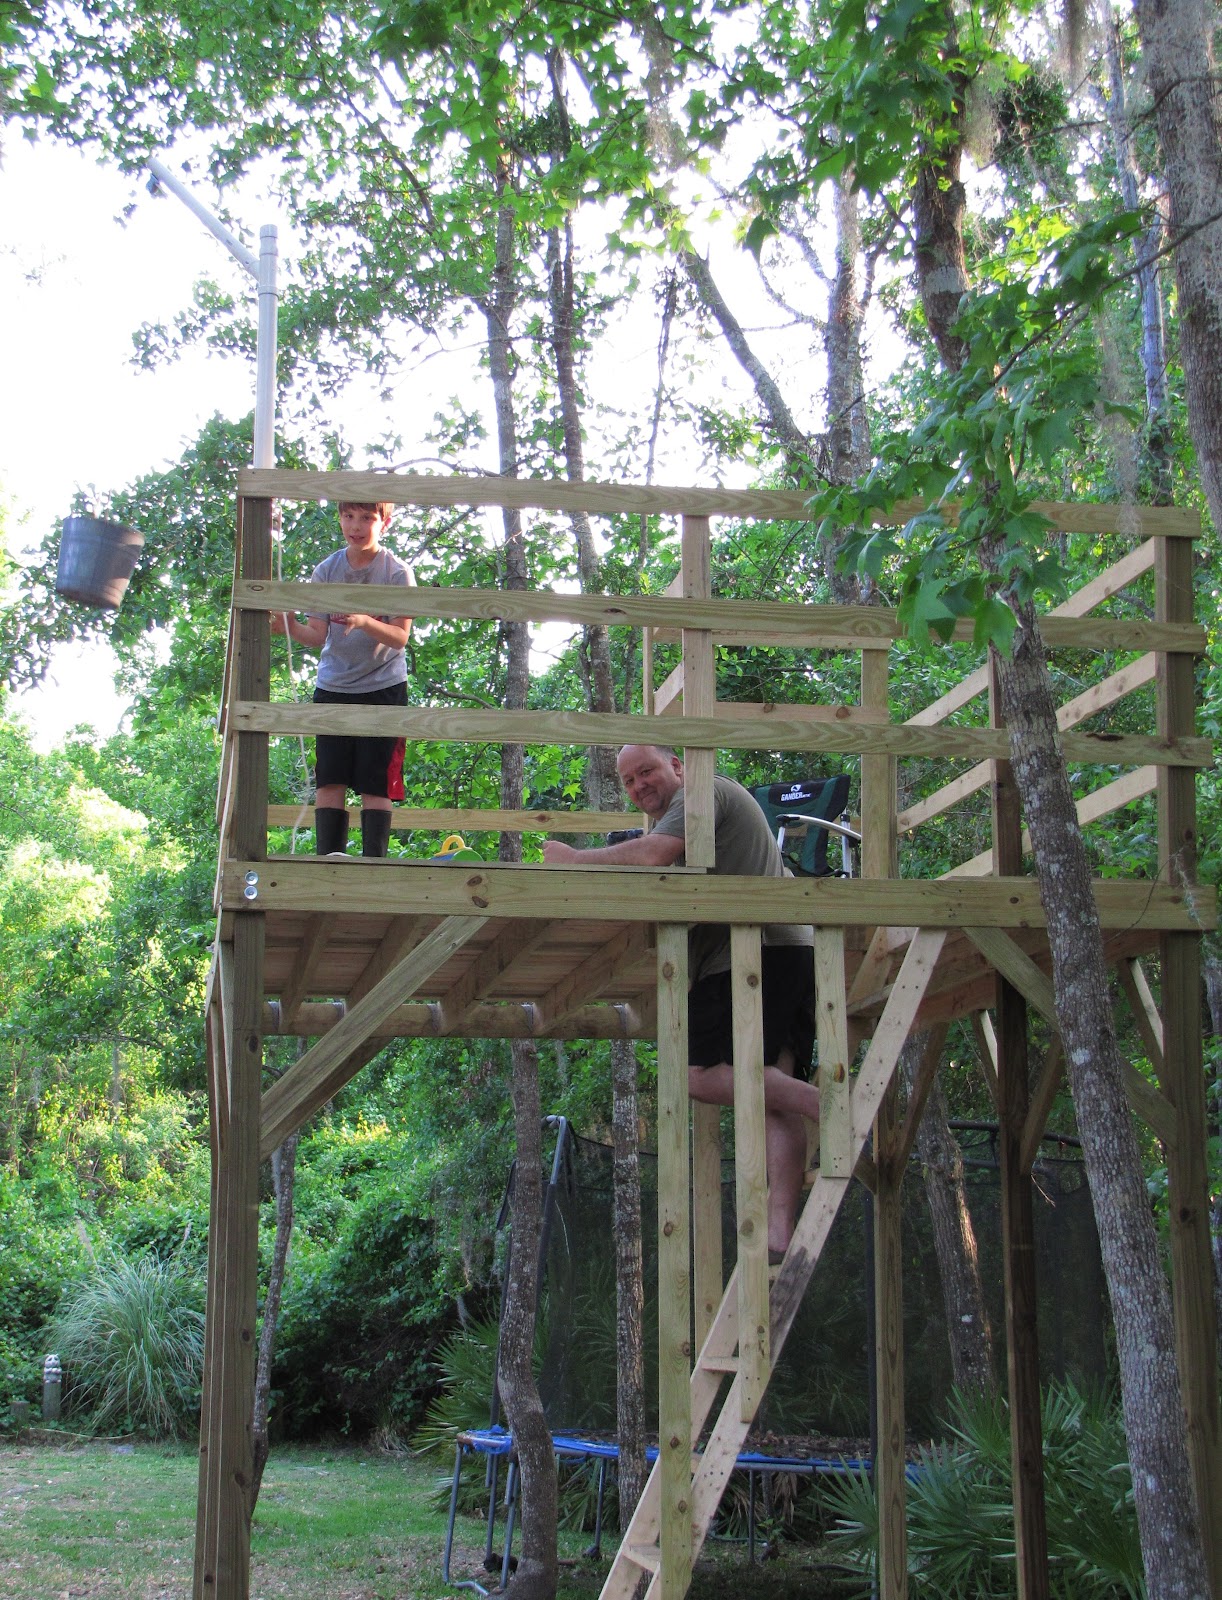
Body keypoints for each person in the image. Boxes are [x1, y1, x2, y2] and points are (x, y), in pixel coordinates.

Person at [542, 743, 818, 1257]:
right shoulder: (684, 815)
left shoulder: (702, 792)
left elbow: (654, 855)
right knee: (772, 1093)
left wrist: (576, 859)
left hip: (753, 949)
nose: (637, 785)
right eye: (626, 780)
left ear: (677, 765)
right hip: (782, 948)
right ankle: (781, 1232)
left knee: (694, 1075)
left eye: (644, 771)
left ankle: (827, 1107)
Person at [270, 500, 414, 857]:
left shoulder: (396, 572)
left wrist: (364, 620)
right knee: (329, 778)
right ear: (339, 519)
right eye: (349, 516)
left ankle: (373, 864)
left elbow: (400, 637)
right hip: (334, 686)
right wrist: (291, 627)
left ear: (385, 522)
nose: (357, 525)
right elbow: (317, 635)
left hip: (384, 687)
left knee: (375, 782)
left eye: (367, 518)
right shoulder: (327, 570)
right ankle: (328, 860)